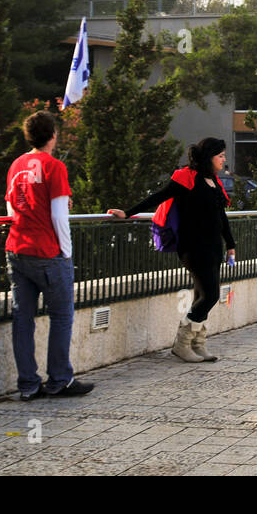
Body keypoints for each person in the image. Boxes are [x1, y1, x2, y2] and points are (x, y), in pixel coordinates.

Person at [109, 138, 236, 363]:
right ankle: (182, 343)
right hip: (193, 246)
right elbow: (158, 196)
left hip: (214, 246)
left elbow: (221, 217)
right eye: (221, 156)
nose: (224, 159)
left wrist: (231, 245)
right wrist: (128, 213)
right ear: (209, 157)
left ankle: (198, 343)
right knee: (211, 295)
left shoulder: (214, 181)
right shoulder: (187, 178)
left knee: (201, 295)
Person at [4, 110, 92, 400]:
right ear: (53, 136)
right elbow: (59, 215)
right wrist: (65, 253)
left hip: (17, 248)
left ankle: (28, 385)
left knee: (23, 318)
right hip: (48, 252)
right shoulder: (54, 167)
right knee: (61, 316)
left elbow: (11, 209)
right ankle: (59, 380)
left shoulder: (17, 165)